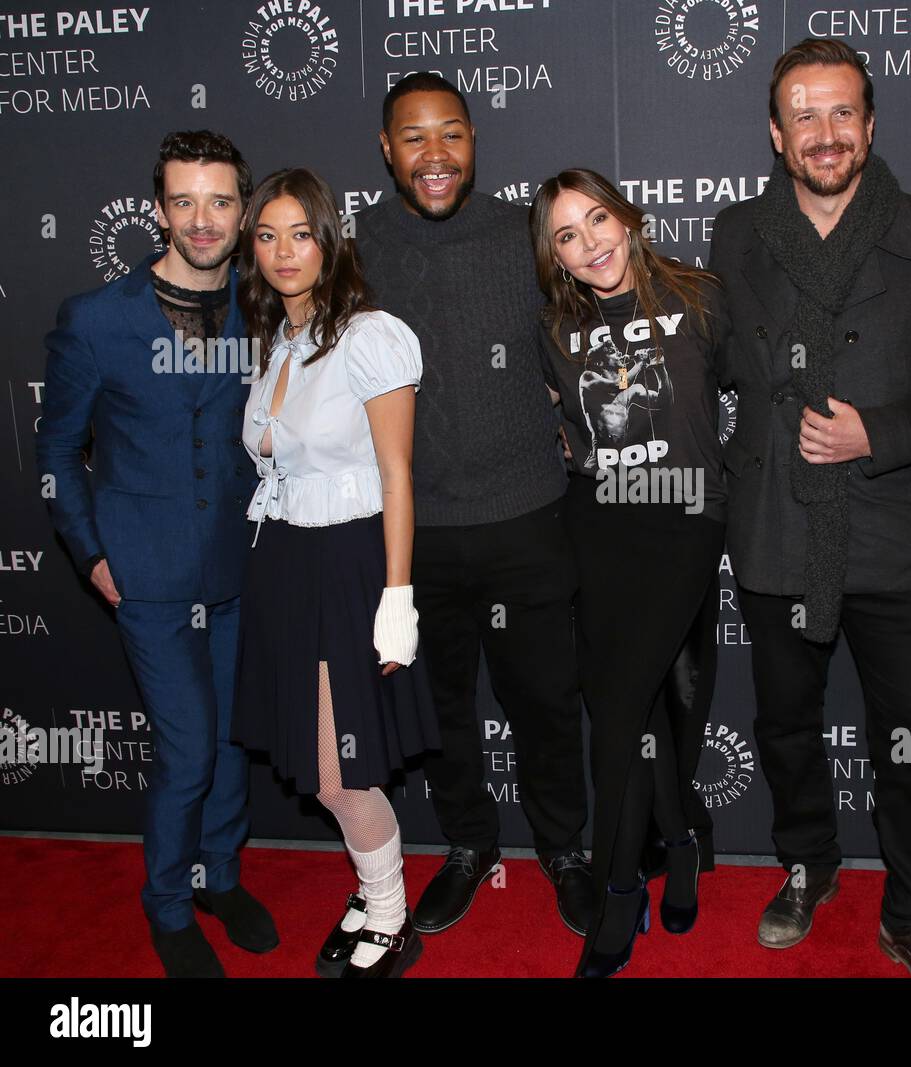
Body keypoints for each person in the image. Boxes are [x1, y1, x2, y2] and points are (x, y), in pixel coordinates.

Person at [707, 38, 911, 976]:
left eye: (842, 114)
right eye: (805, 115)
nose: (824, 134)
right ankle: (806, 863)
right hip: (776, 525)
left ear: (870, 124)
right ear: (776, 132)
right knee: (786, 725)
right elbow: (704, 357)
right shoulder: (737, 234)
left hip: (892, 527)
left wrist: (880, 429)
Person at [355, 72, 593, 936]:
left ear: (473, 140)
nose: (435, 155)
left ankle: (565, 849)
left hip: (529, 514)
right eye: (414, 138)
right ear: (387, 150)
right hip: (416, 535)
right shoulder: (357, 250)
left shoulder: (523, 236)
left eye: (450, 133)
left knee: (545, 701)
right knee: (441, 707)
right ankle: (468, 845)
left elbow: (590, 339)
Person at [36, 130, 278, 977]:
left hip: (242, 563)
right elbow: (58, 450)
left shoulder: (266, 303)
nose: (203, 220)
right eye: (185, 201)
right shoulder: (99, 319)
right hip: (147, 572)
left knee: (229, 744)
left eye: (219, 201)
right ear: (158, 210)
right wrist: (93, 553)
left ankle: (220, 877)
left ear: (244, 210)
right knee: (185, 747)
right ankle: (168, 902)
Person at [231, 168, 440, 978]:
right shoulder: (277, 340)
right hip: (282, 559)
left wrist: (397, 598)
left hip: (351, 559)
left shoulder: (371, 335)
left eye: (301, 232)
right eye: (268, 235)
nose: (285, 252)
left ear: (331, 238)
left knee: (336, 765)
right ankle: (371, 890)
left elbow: (397, 473)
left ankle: (390, 912)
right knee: (315, 757)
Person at [529, 169, 728, 977]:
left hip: (684, 518)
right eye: (567, 237)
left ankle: (617, 891)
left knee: (617, 713)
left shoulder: (704, 296)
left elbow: (771, 391)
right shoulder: (551, 325)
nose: (590, 244)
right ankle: (679, 846)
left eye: (597, 219)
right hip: (597, 520)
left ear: (630, 216)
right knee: (633, 707)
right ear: (555, 257)